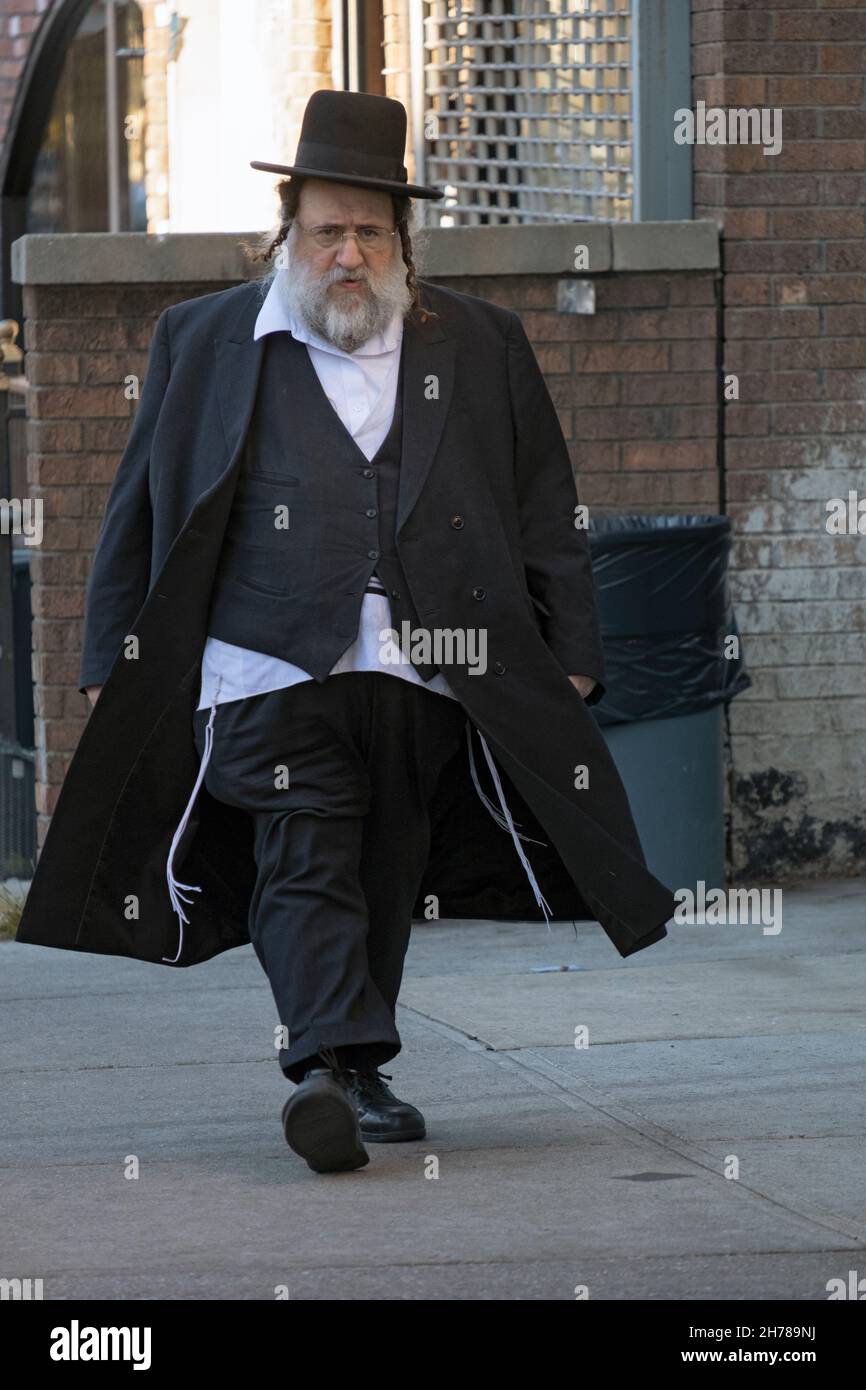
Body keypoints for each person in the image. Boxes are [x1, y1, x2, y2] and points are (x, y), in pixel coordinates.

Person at [21, 89, 674, 1176]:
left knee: (386, 860)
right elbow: (139, 509)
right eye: (326, 230)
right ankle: (328, 1061)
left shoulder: (478, 342)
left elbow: (541, 501)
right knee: (302, 845)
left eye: (370, 230)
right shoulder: (204, 339)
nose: (348, 253)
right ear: (288, 234)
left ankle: (350, 1065)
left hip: (427, 667)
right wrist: (112, 659)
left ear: (401, 238)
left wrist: (570, 651)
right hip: (258, 660)